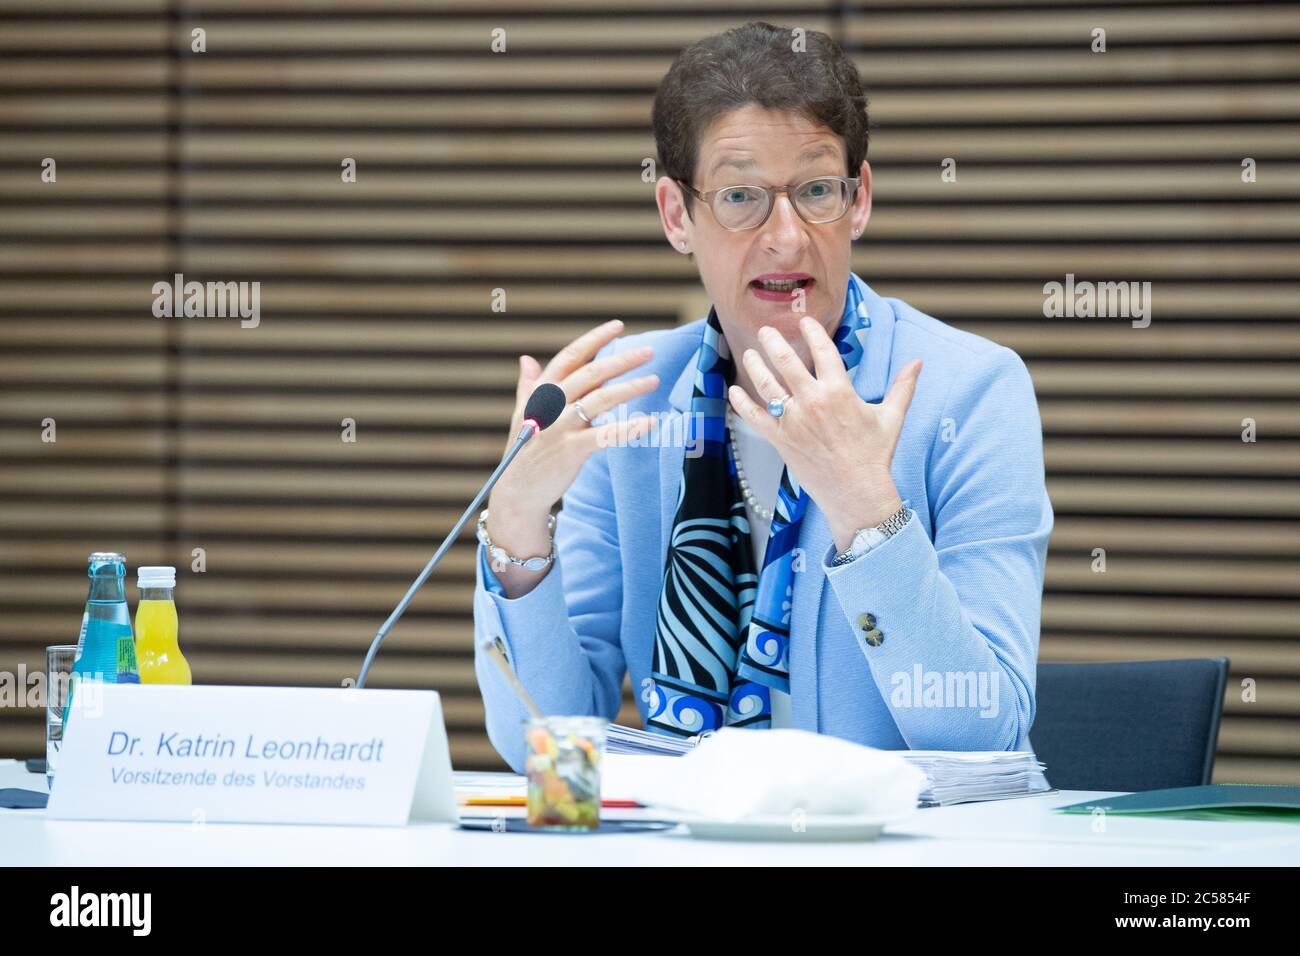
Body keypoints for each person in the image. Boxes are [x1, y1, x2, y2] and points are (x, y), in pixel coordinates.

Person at [472, 21, 1053, 773]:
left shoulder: (971, 392)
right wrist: (519, 526)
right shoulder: (628, 399)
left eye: (816, 191)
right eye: (741, 195)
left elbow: (985, 738)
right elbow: (546, 750)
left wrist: (866, 508)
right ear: (678, 215)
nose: (785, 237)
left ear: (860, 200)